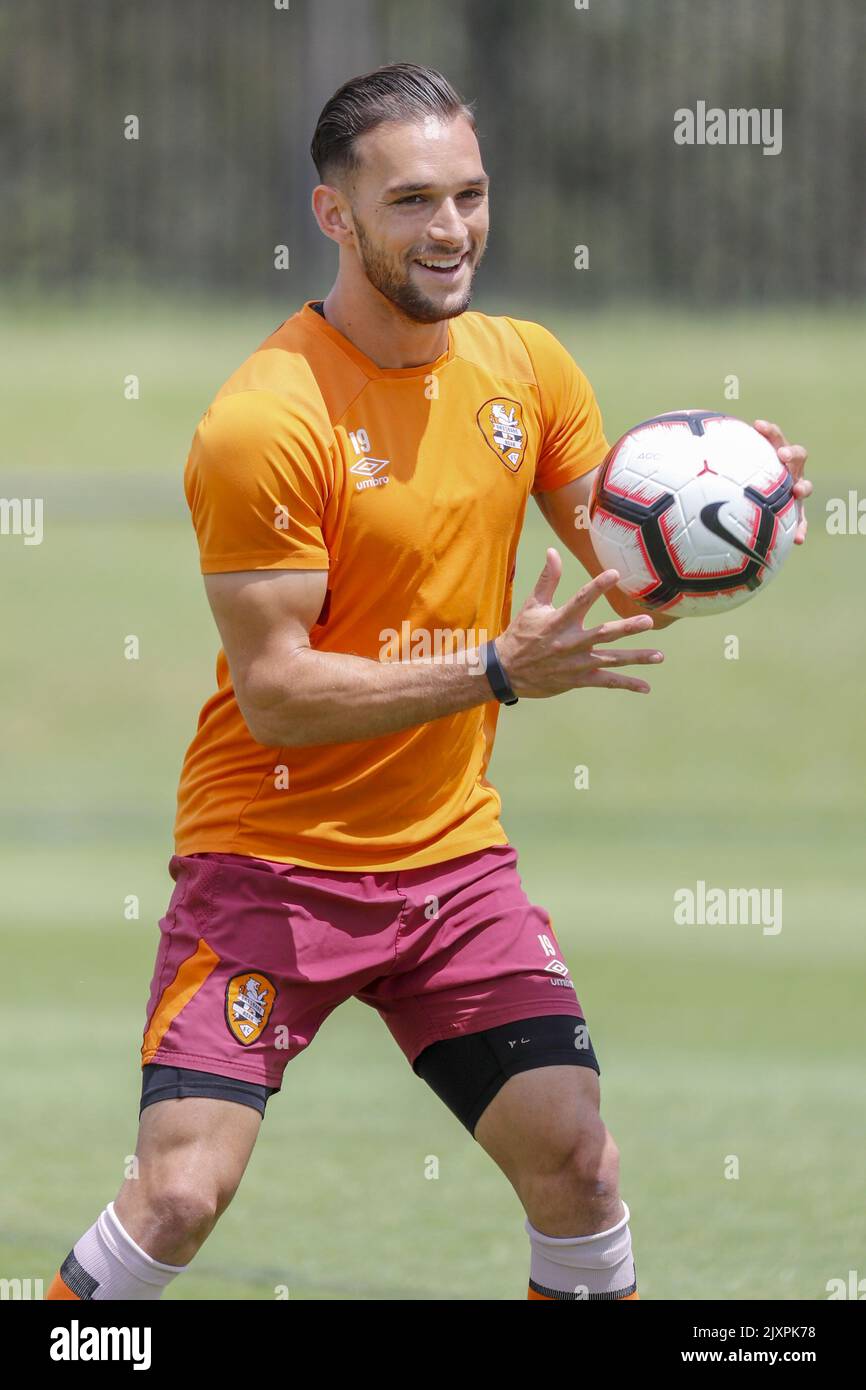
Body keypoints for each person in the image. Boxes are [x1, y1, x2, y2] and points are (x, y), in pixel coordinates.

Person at [47, 62, 810, 1302]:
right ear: (333, 215)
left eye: (468, 194)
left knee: (578, 1162)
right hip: (267, 867)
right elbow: (277, 693)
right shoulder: (265, 419)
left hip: (449, 869)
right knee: (181, 1196)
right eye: (410, 202)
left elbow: (629, 573)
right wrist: (498, 669)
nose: (450, 229)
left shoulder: (527, 369)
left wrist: (732, 518)